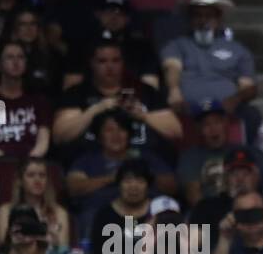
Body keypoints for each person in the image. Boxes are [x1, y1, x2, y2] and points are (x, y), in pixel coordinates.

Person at [161, 0, 262, 147]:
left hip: (225, 109)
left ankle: (242, 157)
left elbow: (249, 87)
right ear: (190, 18)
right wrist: (174, 91)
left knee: (252, 114)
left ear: (218, 19)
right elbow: (172, 68)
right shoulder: (177, 45)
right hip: (190, 109)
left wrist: (235, 99)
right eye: (198, 16)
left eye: (209, 16)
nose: (203, 21)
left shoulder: (237, 49)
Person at [52, 39, 181, 165]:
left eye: (115, 61)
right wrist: (94, 111)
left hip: (140, 161)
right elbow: (60, 136)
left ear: (123, 63)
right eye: (102, 61)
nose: (110, 67)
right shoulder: (77, 93)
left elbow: (176, 132)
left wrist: (144, 116)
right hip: (92, 164)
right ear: (91, 63)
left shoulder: (145, 91)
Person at [178, 100, 263, 208]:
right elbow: (194, 196)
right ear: (198, 129)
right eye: (206, 125)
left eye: (217, 122)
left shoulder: (246, 151)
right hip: (210, 212)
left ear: (226, 123)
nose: (213, 129)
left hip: (248, 211)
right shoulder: (191, 157)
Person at [0, 40, 51, 162]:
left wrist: (28, 163)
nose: (16, 62)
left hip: (32, 165)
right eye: (9, 57)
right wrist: (7, 161)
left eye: (20, 57)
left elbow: (43, 142)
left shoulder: (38, 99)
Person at [0, 155, 70, 248]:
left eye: (42, 175)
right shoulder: (6, 211)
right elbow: (4, 247)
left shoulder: (59, 212)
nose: (37, 180)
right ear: (20, 181)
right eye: (31, 175)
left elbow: (63, 249)